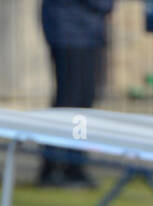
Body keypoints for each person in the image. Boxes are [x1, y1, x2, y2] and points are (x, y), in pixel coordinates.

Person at [39, 0, 115, 186]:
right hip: (70, 32)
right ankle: (55, 165)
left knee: (82, 104)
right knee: (69, 104)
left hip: (84, 32)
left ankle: (75, 164)